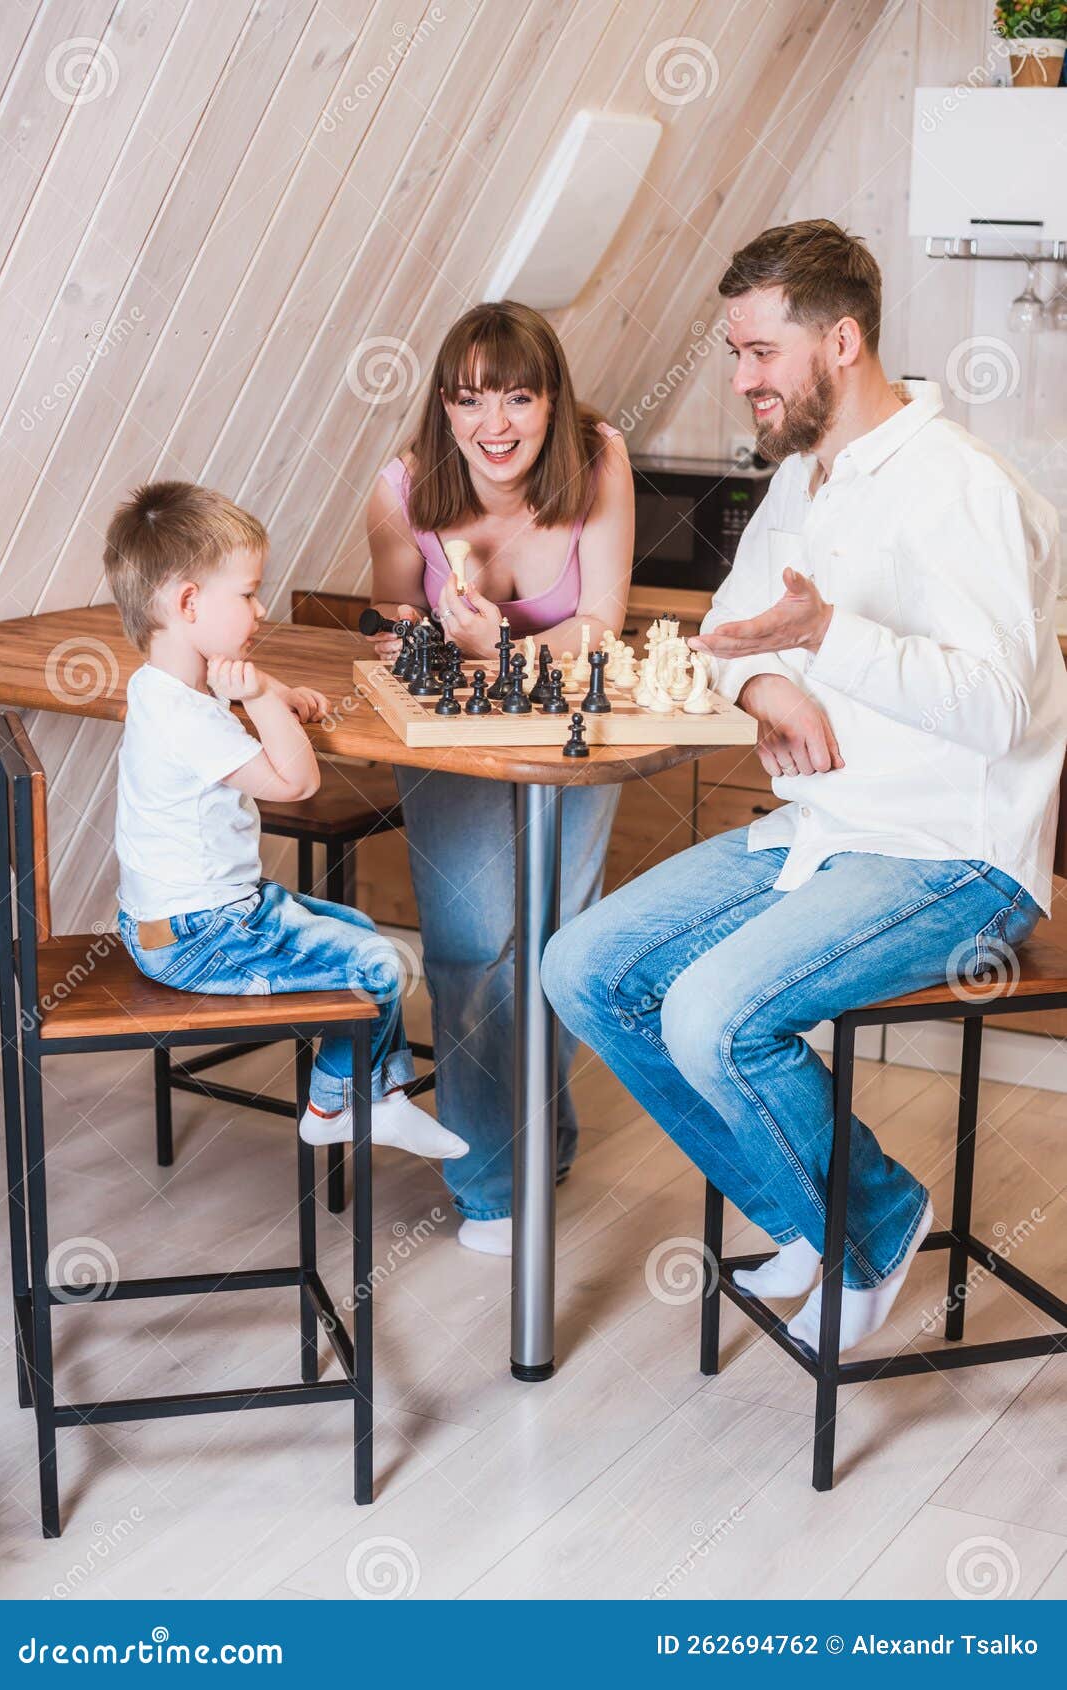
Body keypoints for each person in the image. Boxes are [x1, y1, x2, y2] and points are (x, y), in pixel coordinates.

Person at [542, 220, 1067, 1354]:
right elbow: (729, 636)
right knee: (581, 966)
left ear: (841, 340)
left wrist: (833, 634)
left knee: (712, 1014)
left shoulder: (960, 489)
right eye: (734, 353)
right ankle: (806, 1211)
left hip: (952, 857)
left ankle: (872, 1219)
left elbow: (997, 710)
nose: (741, 380)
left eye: (761, 353)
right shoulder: (802, 480)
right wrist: (772, 687)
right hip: (826, 831)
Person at [366, 300, 634, 1255]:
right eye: (470, 400)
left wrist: (502, 651)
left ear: (553, 401)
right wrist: (444, 639)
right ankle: (488, 1185)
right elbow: (392, 617)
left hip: (574, 734)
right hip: (458, 743)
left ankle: (539, 1135)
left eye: (519, 397)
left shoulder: (599, 458)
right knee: (474, 946)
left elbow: (601, 620)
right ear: (444, 408)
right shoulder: (403, 491)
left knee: (560, 945)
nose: (496, 426)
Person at [104, 479, 468, 1162]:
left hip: (187, 918)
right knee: (380, 966)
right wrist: (267, 702)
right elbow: (297, 782)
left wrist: (266, 692)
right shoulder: (184, 717)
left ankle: (381, 1101)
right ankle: (332, 1106)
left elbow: (226, 695)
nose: (261, 607)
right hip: (199, 935)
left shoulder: (164, 684)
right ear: (188, 603)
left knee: (359, 929)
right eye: (246, 593)